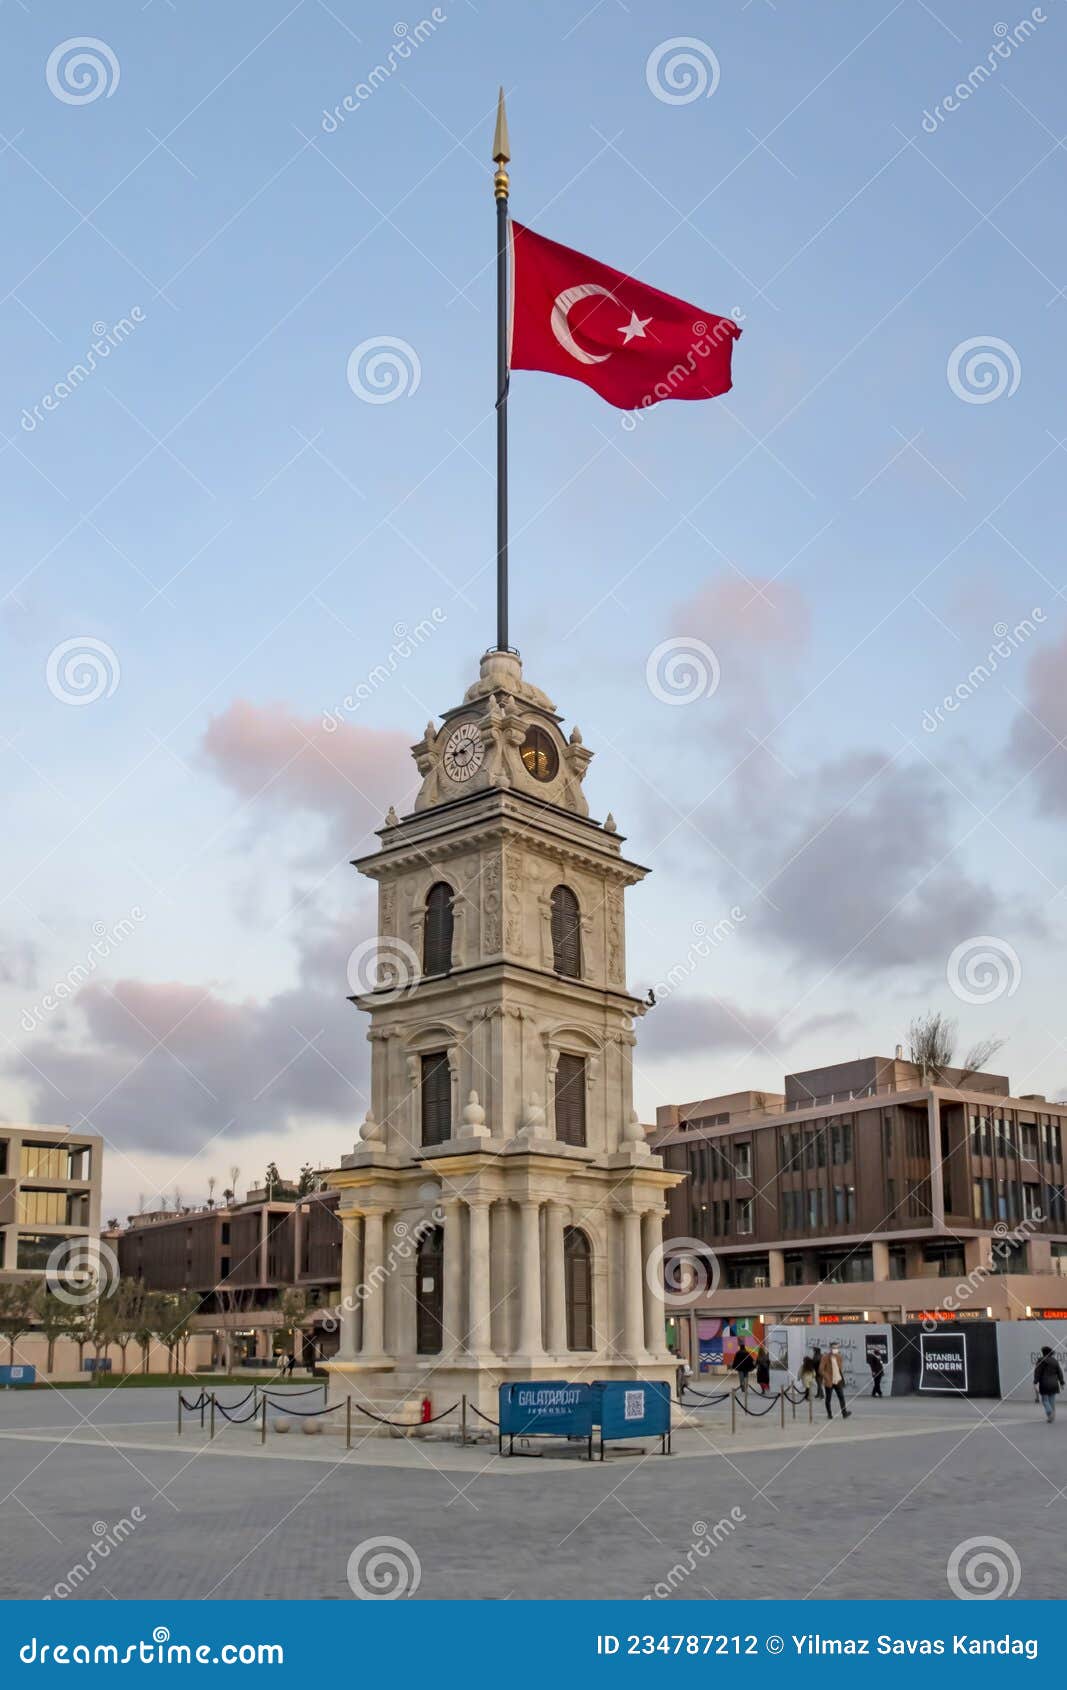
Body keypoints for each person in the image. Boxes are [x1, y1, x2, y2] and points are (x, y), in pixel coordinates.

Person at [819, 1342, 851, 1420]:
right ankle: (829, 1414)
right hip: (829, 1381)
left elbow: (839, 1368)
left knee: (841, 1397)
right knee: (828, 1398)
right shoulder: (825, 1357)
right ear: (830, 1348)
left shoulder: (839, 1357)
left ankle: (844, 1413)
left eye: (836, 1348)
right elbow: (821, 1370)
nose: (835, 1349)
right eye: (833, 1347)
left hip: (837, 1380)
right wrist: (827, 1377)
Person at [1033, 1345, 1065, 1423]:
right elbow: (1059, 1373)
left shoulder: (1041, 1360)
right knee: (1052, 1401)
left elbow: (1037, 1372)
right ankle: (1051, 1417)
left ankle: (1049, 1412)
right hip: (1054, 1384)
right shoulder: (1055, 1361)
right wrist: (1062, 1382)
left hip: (1044, 1383)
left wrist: (1035, 1382)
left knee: (1045, 1400)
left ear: (1043, 1353)